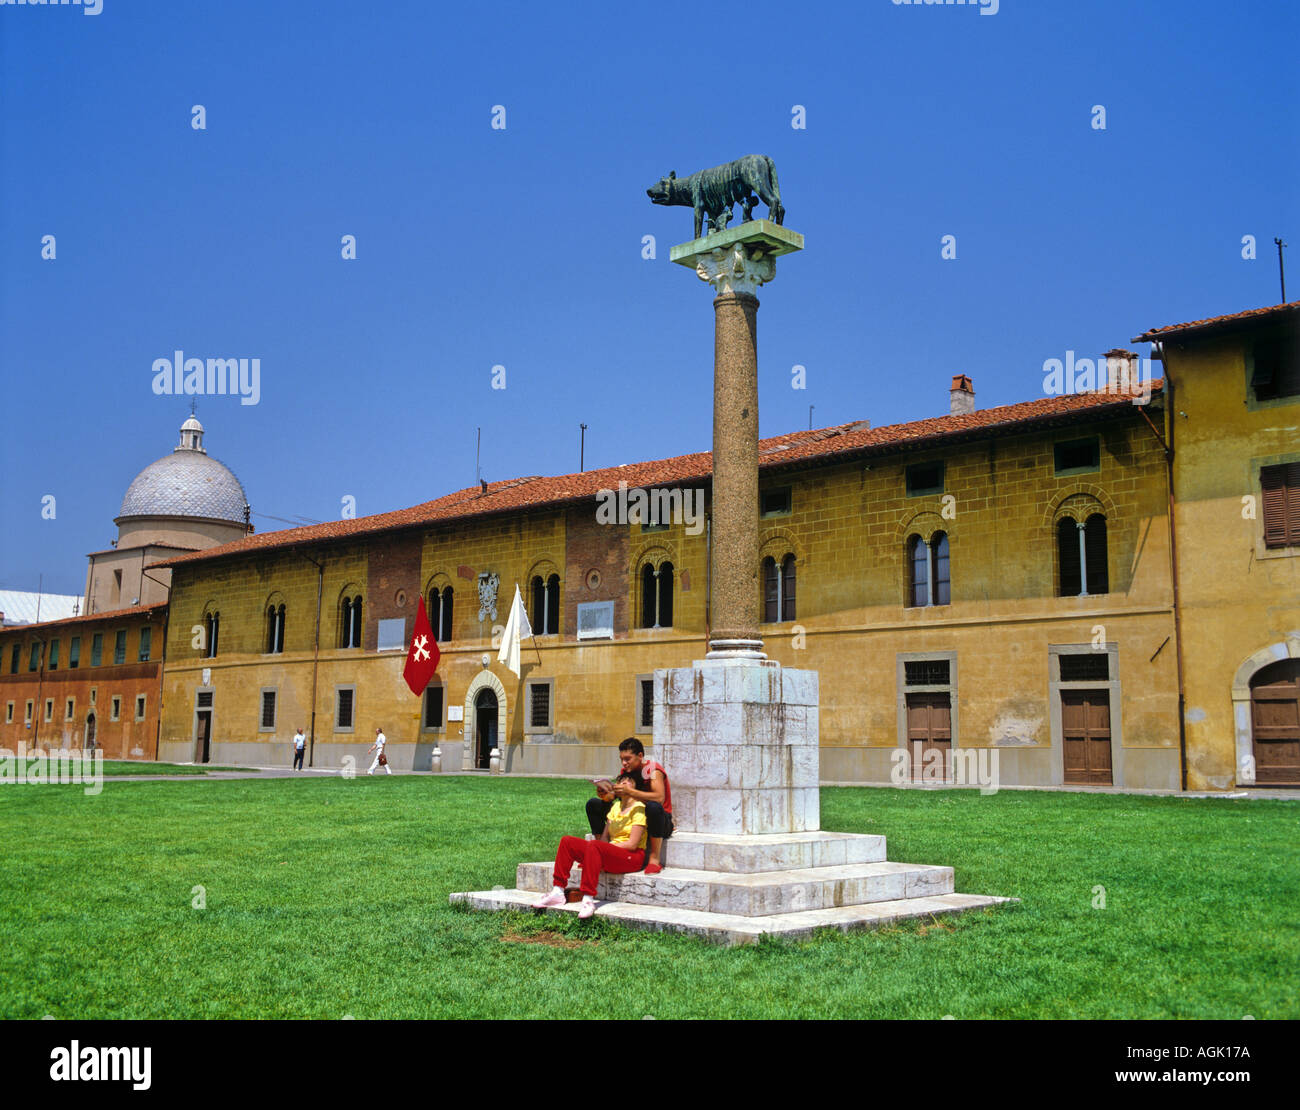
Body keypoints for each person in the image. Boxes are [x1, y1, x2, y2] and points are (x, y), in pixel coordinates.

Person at [536, 773, 646, 919]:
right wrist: (595, 855)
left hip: (632, 857)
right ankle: (557, 891)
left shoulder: (639, 807)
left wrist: (606, 848)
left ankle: (588, 898)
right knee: (567, 842)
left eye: (627, 782)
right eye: (620, 782)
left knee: (595, 846)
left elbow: (632, 844)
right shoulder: (616, 807)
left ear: (634, 788)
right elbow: (605, 838)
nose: (622, 784)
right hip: (614, 852)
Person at [585, 737, 673, 873]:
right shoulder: (626, 772)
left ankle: (654, 859)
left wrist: (630, 791)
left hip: (658, 819)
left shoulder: (652, 770)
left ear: (640, 756)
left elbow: (659, 798)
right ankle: (600, 848)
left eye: (627, 759)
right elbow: (615, 798)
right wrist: (605, 793)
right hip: (631, 815)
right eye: (621, 759)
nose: (624, 763)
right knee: (593, 804)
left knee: (653, 807)